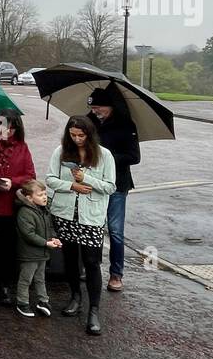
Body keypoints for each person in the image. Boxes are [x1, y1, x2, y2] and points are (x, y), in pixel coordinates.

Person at [44, 115, 116, 337]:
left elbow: (111, 187)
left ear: (89, 134)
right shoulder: (61, 151)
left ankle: (93, 311)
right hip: (65, 214)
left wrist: (88, 179)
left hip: (91, 218)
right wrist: (72, 185)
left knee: (91, 262)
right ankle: (75, 297)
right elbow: (50, 179)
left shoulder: (104, 155)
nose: (77, 139)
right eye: (73, 135)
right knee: (70, 261)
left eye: (81, 135)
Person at [0, 109, 35, 306]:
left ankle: (3, 285)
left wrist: (13, 181)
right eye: (4, 127)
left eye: (12, 128)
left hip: (10, 207)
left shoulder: (21, 147)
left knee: (6, 250)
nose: (8, 132)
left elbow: (30, 175)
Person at [86, 87, 141, 293]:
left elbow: (134, 157)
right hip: (91, 183)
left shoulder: (126, 125)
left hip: (117, 185)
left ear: (110, 106)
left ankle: (116, 274)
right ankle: (90, 268)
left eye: (99, 108)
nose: (95, 111)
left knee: (115, 231)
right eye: (92, 107)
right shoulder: (87, 122)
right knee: (91, 228)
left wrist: (106, 158)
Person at [15, 179, 61, 317]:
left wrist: (53, 238)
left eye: (45, 194)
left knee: (40, 278)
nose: (45, 197)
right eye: (40, 195)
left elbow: (49, 227)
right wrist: (46, 243)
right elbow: (28, 234)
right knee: (26, 279)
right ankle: (22, 302)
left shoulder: (44, 210)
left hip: (42, 252)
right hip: (30, 254)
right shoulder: (25, 212)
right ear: (29, 198)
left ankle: (43, 300)